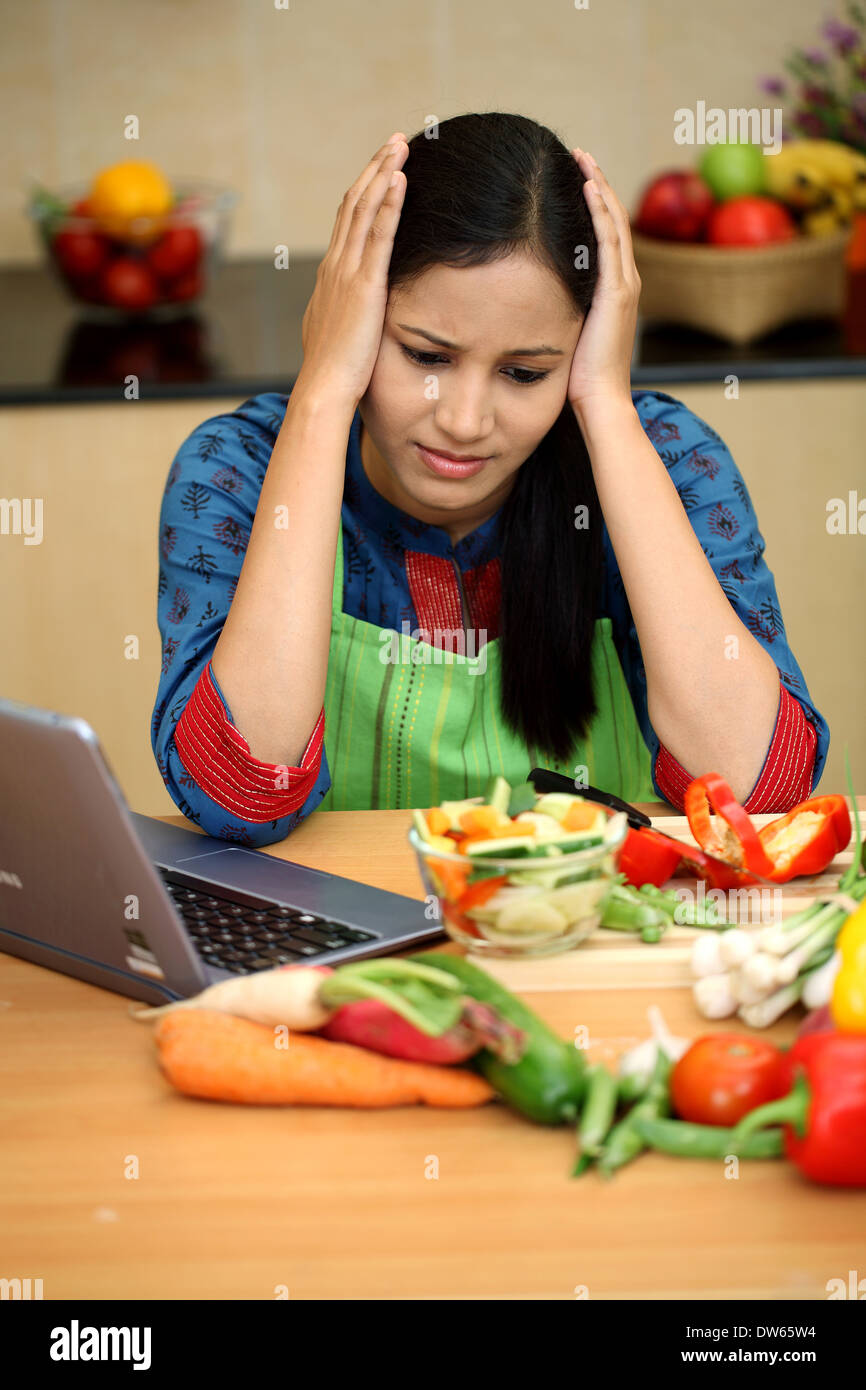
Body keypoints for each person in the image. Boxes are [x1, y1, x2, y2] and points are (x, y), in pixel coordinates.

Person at [152, 113, 828, 848]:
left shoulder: (661, 457)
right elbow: (240, 794)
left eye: (525, 373)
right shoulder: (238, 471)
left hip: (597, 944)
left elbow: (759, 791)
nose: (466, 421)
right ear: (355, 317)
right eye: (426, 357)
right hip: (344, 959)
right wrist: (320, 394)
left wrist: (603, 402)